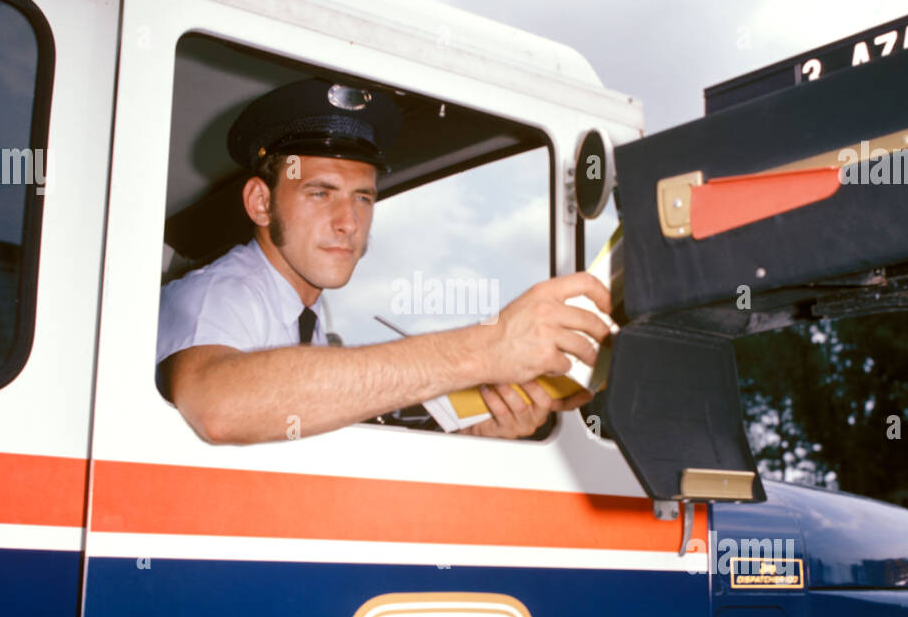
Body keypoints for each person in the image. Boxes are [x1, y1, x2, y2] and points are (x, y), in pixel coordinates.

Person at [156, 78, 615, 443]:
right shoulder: (218, 294)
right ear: (260, 203)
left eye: (363, 198)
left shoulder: (306, 318)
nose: (349, 222)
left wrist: (475, 432)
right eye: (320, 193)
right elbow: (218, 407)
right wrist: (482, 350)